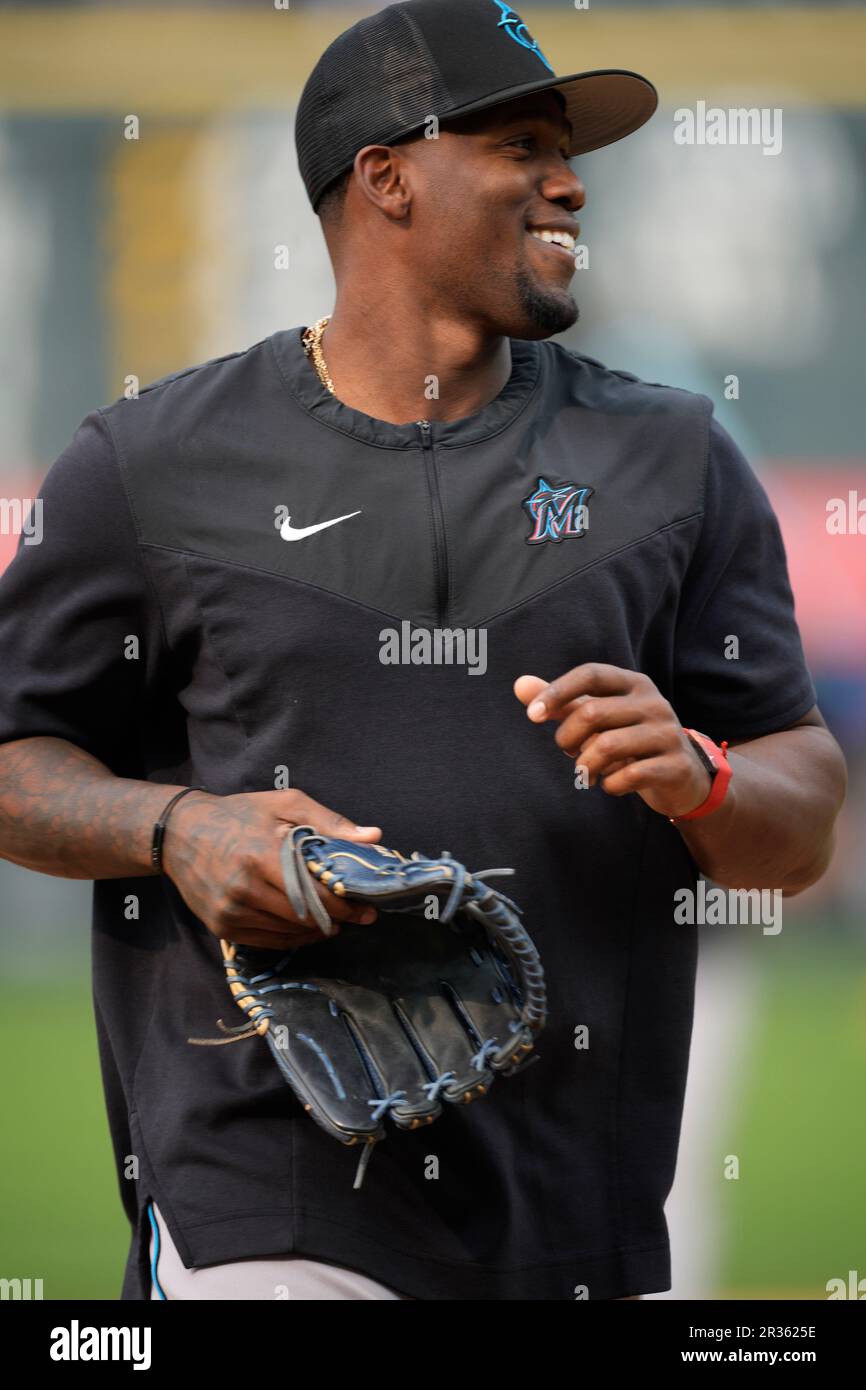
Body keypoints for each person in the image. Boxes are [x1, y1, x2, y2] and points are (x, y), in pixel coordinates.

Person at [0, 0, 846, 1301]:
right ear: (385, 177)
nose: (567, 180)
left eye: (565, 151)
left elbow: (799, 824)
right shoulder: (153, 463)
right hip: (264, 1212)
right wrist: (177, 828)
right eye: (518, 143)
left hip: (577, 1221)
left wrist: (704, 774)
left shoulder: (671, 457)